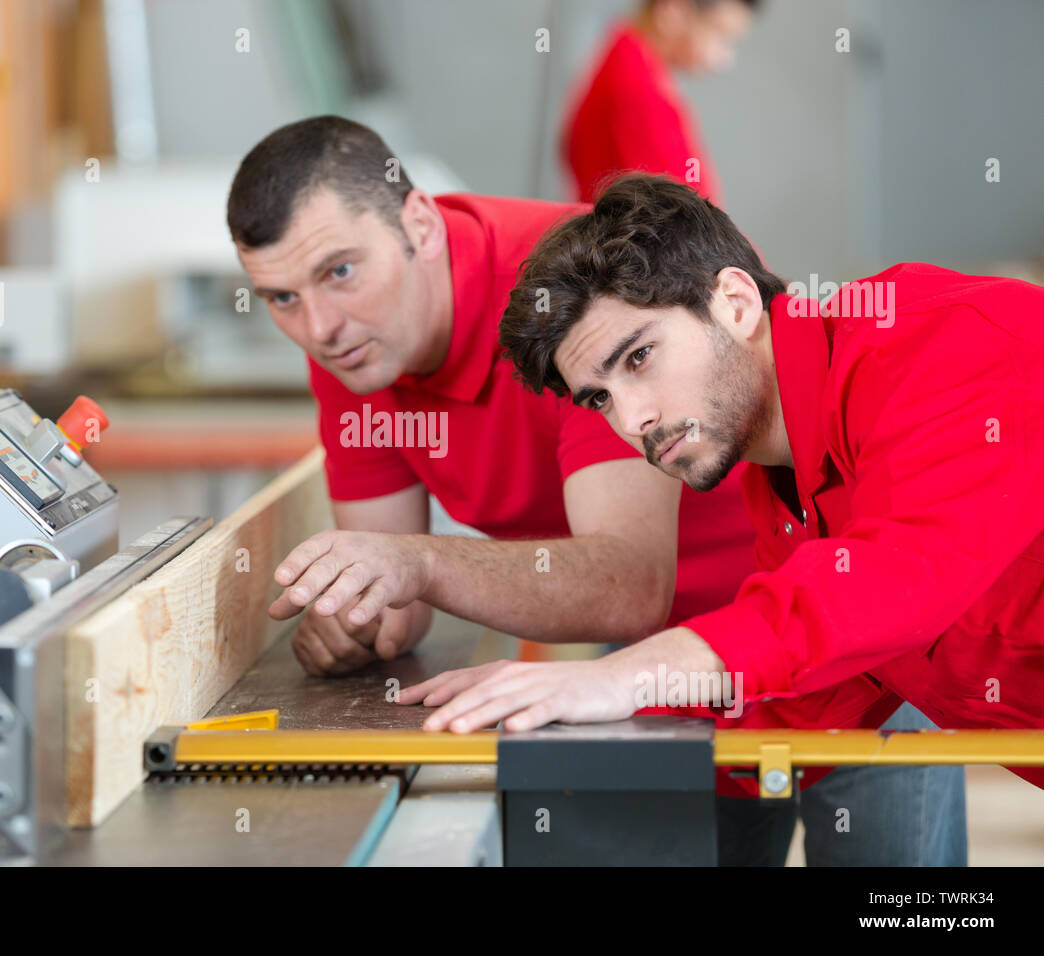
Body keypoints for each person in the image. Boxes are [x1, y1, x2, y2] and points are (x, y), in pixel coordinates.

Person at [226, 117, 966, 864]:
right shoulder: (354, 344)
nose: (317, 326)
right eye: (280, 299)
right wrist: (352, 613)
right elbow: (394, 601)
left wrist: (415, 564)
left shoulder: (574, 299)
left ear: (417, 222)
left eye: (340, 272)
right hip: (683, 669)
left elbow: (627, 582)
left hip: (843, 617)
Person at [399, 172, 1044, 796]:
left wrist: (631, 674)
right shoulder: (784, 501)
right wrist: (553, 725)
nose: (632, 420)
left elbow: (893, 577)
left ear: (734, 302)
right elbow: (793, 714)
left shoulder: (943, 346)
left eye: (639, 357)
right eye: (599, 398)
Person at [562, 0, 757, 204]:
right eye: (720, 36)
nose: (724, 60)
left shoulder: (634, 68)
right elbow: (674, 214)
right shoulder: (635, 86)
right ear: (673, 10)